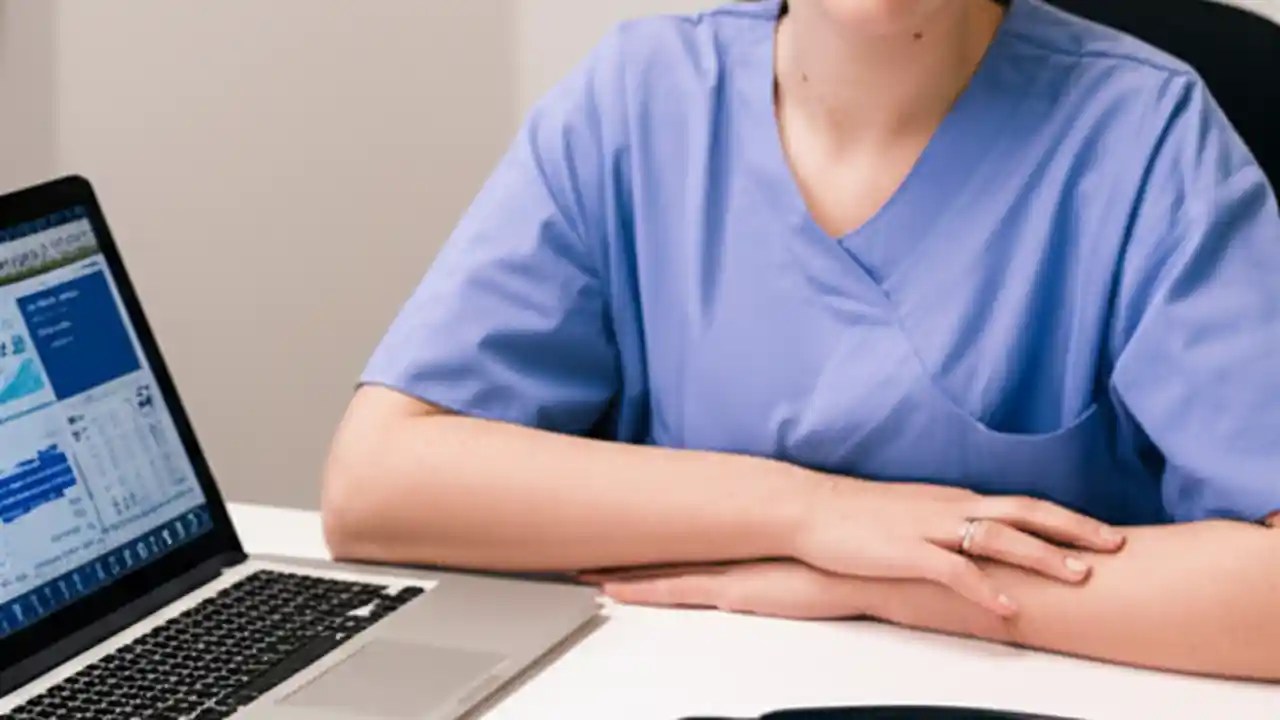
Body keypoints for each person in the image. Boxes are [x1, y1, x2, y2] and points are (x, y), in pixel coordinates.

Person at [321, 0, 1280, 681]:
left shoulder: (1147, 136)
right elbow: (376, 484)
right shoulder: (638, 102)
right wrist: (812, 513)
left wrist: (896, 586)